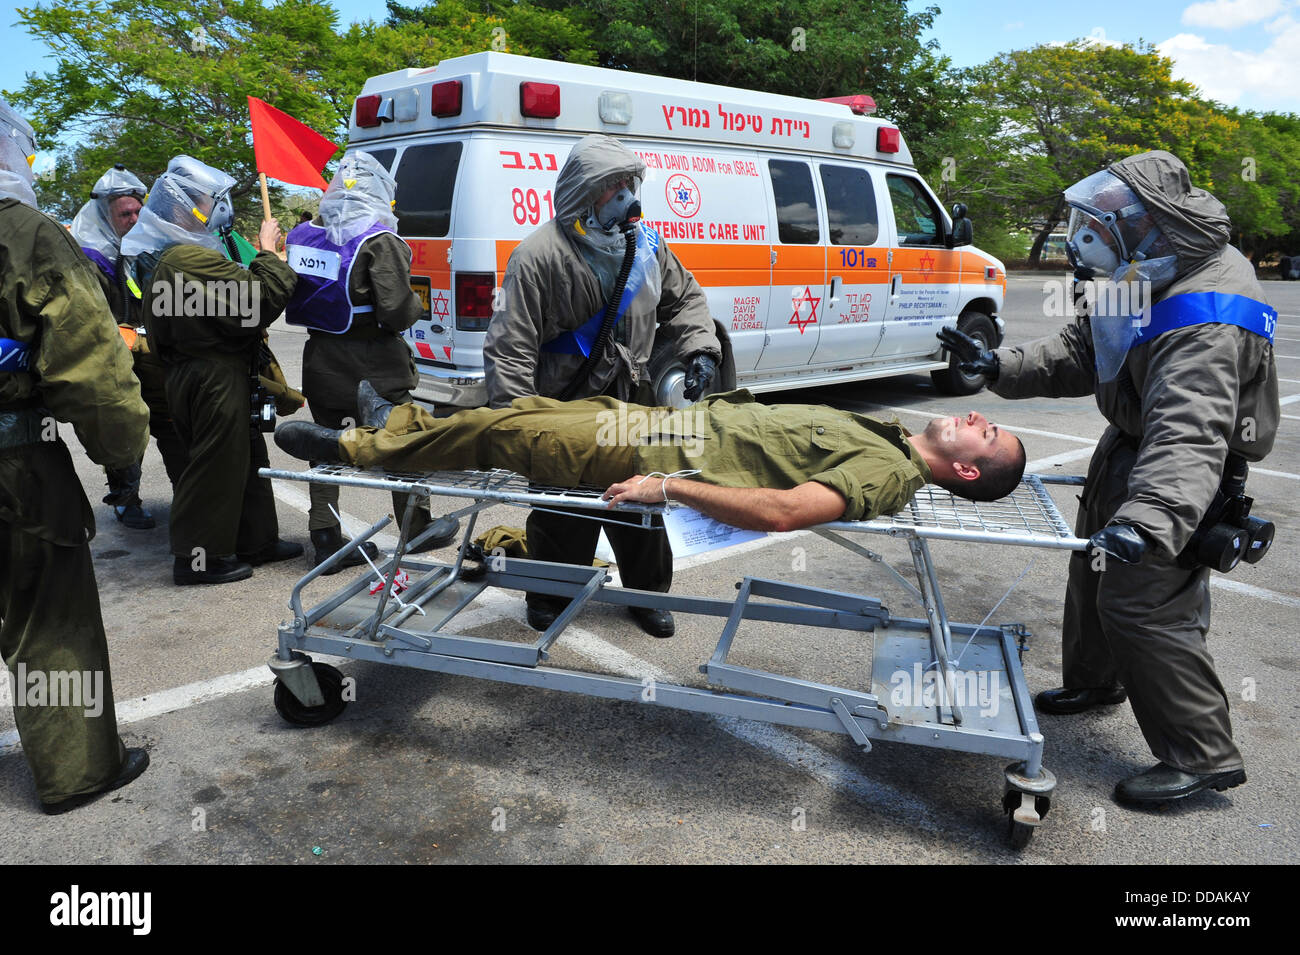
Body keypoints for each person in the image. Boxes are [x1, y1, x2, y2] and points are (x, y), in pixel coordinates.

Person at [939, 150, 1279, 806]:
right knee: (1092, 572)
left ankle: (1202, 753)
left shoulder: (1208, 308)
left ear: (1151, 221)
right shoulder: (1146, 265)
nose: (1087, 235)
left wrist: (1151, 519)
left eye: (1104, 220)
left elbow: (1189, 431)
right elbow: (1079, 349)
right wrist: (998, 363)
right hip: (1129, 447)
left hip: (1179, 471)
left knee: (1145, 601)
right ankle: (1097, 681)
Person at [484, 134, 722, 637]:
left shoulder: (648, 246)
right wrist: (515, 421)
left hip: (632, 400)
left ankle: (646, 594)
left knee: (640, 499)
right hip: (564, 400)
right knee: (560, 505)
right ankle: (548, 593)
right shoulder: (539, 255)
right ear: (582, 192)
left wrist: (700, 349)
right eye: (611, 185)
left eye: (627, 183)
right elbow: (511, 344)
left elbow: (685, 301)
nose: (624, 194)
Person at [274, 382, 1026, 532]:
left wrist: (668, 487)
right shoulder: (894, 438)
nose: (977, 417)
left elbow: (789, 510)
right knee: (520, 410)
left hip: (649, 449)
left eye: (987, 436)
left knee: (507, 437)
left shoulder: (888, 473)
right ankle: (398, 419)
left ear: (964, 471)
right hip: (658, 419)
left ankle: (357, 445)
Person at [0, 98, 151, 812]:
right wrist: (124, 454)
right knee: (48, 619)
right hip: (14, 468)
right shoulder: (25, 234)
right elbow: (93, 371)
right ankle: (78, 768)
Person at [122, 155, 303, 585]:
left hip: (214, 371)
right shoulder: (186, 258)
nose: (218, 206)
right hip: (209, 375)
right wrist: (268, 255)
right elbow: (257, 303)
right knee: (215, 465)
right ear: (187, 207)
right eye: (209, 198)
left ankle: (255, 540)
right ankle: (197, 559)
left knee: (245, 457)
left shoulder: (183, 254)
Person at [284, 151, 459, 574]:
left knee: (326, 445)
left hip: (322, 358)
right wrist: (417, 308)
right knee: (400, 439)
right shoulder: (381, 241)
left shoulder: (306, 234)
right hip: (377, 362)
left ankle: (324, 534)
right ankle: (415, 526)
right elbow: (397, 311)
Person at [71, 163, 188, 529]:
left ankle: (187, 496)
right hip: (117, 360)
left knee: (172, 425)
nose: (134, 218)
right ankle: (126, 499)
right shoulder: (89, 257)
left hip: (155, 355)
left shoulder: (150, 246)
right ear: (107, 214)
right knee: (125, 432)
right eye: (126, 213)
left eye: (139, 210)